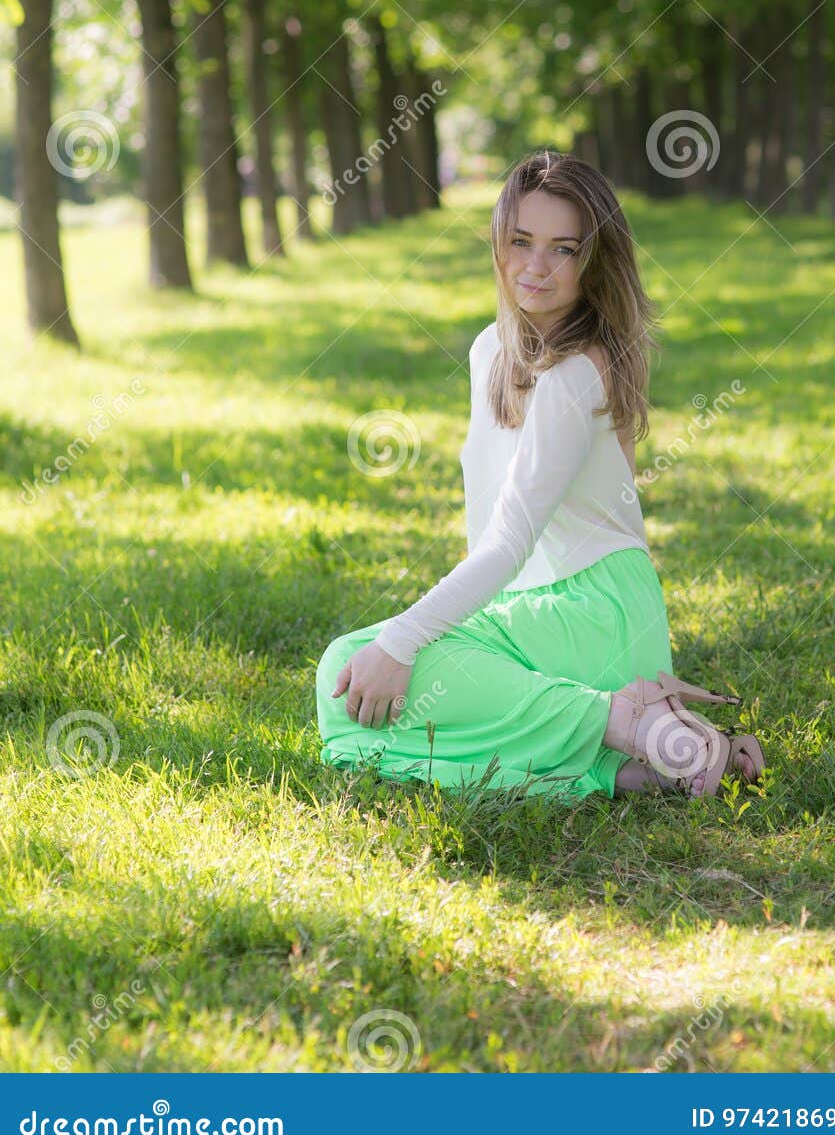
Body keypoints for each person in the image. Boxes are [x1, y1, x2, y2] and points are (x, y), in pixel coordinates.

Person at [315, 150, 765, 800]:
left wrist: (403, 640)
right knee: (351, 698)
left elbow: (510, 541)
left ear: (594, 262)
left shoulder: (575, 373)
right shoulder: (488, 351)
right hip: (537, 613)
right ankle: (628, 770)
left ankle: (622, 721)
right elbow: (488, 527)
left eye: (563, 249)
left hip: (594, 614)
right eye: (521, 241)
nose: (534, 266)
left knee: (350, 663)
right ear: (498, 241)